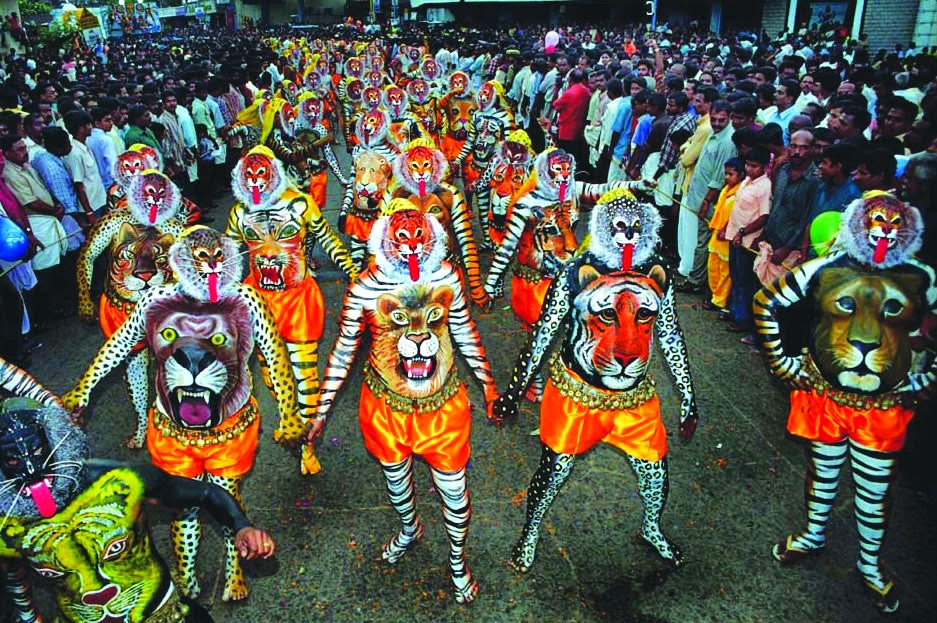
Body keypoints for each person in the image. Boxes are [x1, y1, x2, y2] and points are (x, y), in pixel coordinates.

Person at [754, 192, 936, 615]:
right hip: (826, 398)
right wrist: (781, 363)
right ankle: (814, 535)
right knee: (823, 473)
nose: (882, 233)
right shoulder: (827, 269)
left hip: (883, 408)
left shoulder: (920, 276)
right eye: (875, 223)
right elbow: (767, 301)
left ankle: (870, 564)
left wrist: (927, 379)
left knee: (874, 492)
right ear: (858, 225)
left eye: (893, 226)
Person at [677, 99, 736, 292]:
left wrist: (706, 201)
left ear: (730, 118)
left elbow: (719, 177)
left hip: (709, 200)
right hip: (699, 196)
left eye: (722, 120)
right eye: (714, 119)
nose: (717, 123)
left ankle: (696, 282)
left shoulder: (727, 141)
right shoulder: (713, 133)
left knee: (703, 242)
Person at [725, 147, 772, 345]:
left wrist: (744, 233)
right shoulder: (746, 181)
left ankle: (743, 319)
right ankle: (735, 313)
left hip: (747, 239)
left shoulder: (765, 186)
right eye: (748, 165)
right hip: (733, 234)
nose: (750, 169)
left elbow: (764, 216)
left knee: (745, 280)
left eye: (755, 166)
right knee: (735, 276)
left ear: (764, 167)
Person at [705, 157, 743, 314]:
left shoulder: (740, 192)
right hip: (716, 233)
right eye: (726, 174)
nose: (727, 177)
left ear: (740, 175)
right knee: (713, 266)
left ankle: (721, 300)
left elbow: (735, 214)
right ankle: (715, 295)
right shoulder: (725, 190)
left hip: (727, 236)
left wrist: (726, 229)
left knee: (724, 271)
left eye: (731, 174)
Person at [63, 110, 108, 219]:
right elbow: (78, 185)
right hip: (92, 207)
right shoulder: (75, 153)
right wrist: (89, 212)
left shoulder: (86, 146)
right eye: (88, 124)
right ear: (81, 129)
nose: (91, 127)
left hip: (100, 201)